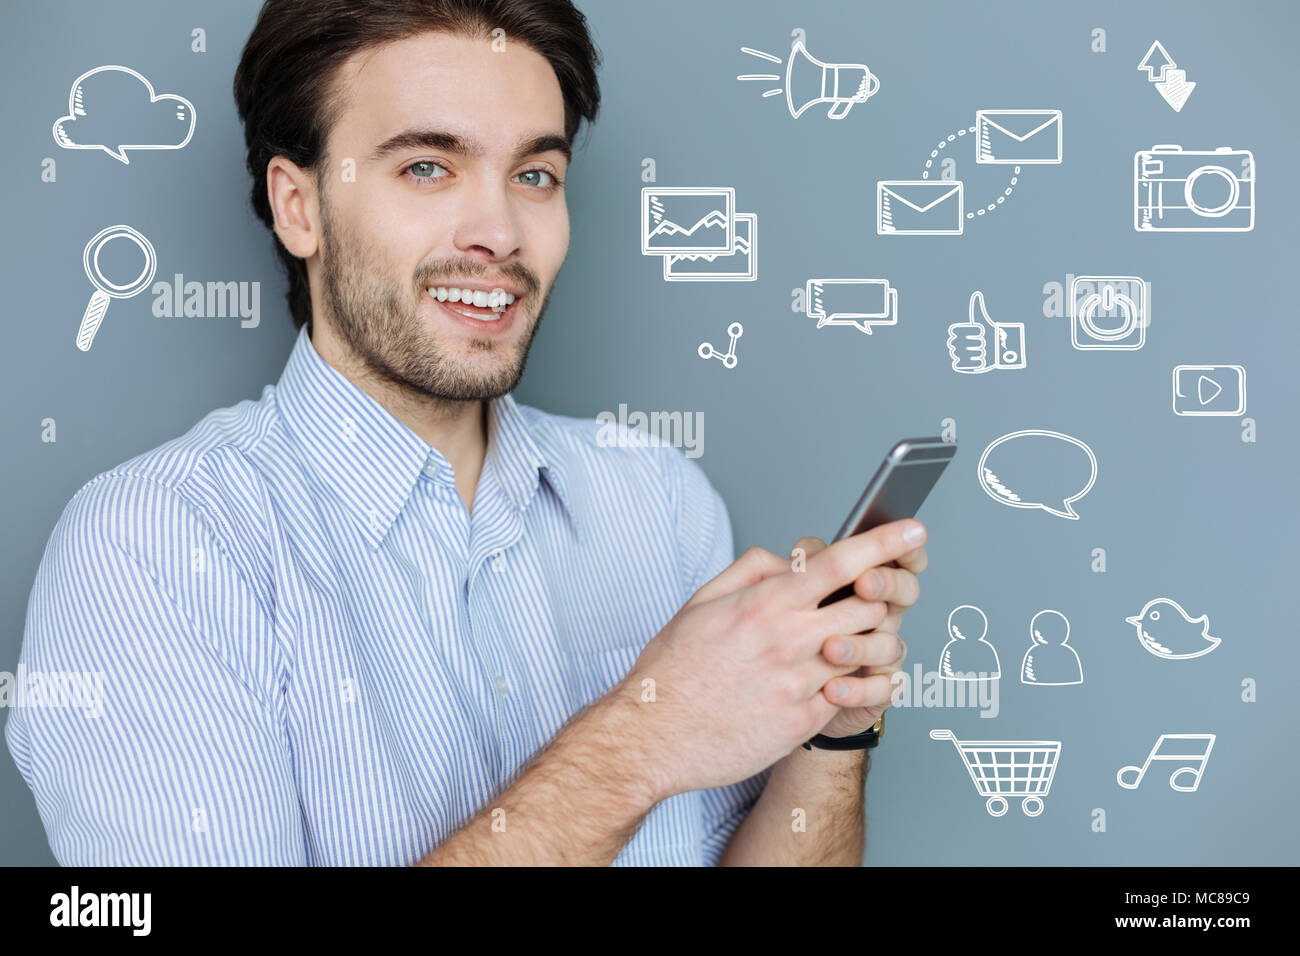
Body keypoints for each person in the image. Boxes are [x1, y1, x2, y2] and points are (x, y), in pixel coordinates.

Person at [5, 0, 926, 866]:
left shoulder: (662, 501)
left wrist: (831, 724)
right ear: (299, 206)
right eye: (427, 167)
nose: (499, 231)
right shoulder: (154, 545)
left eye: (535, 175)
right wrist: (649, 736)